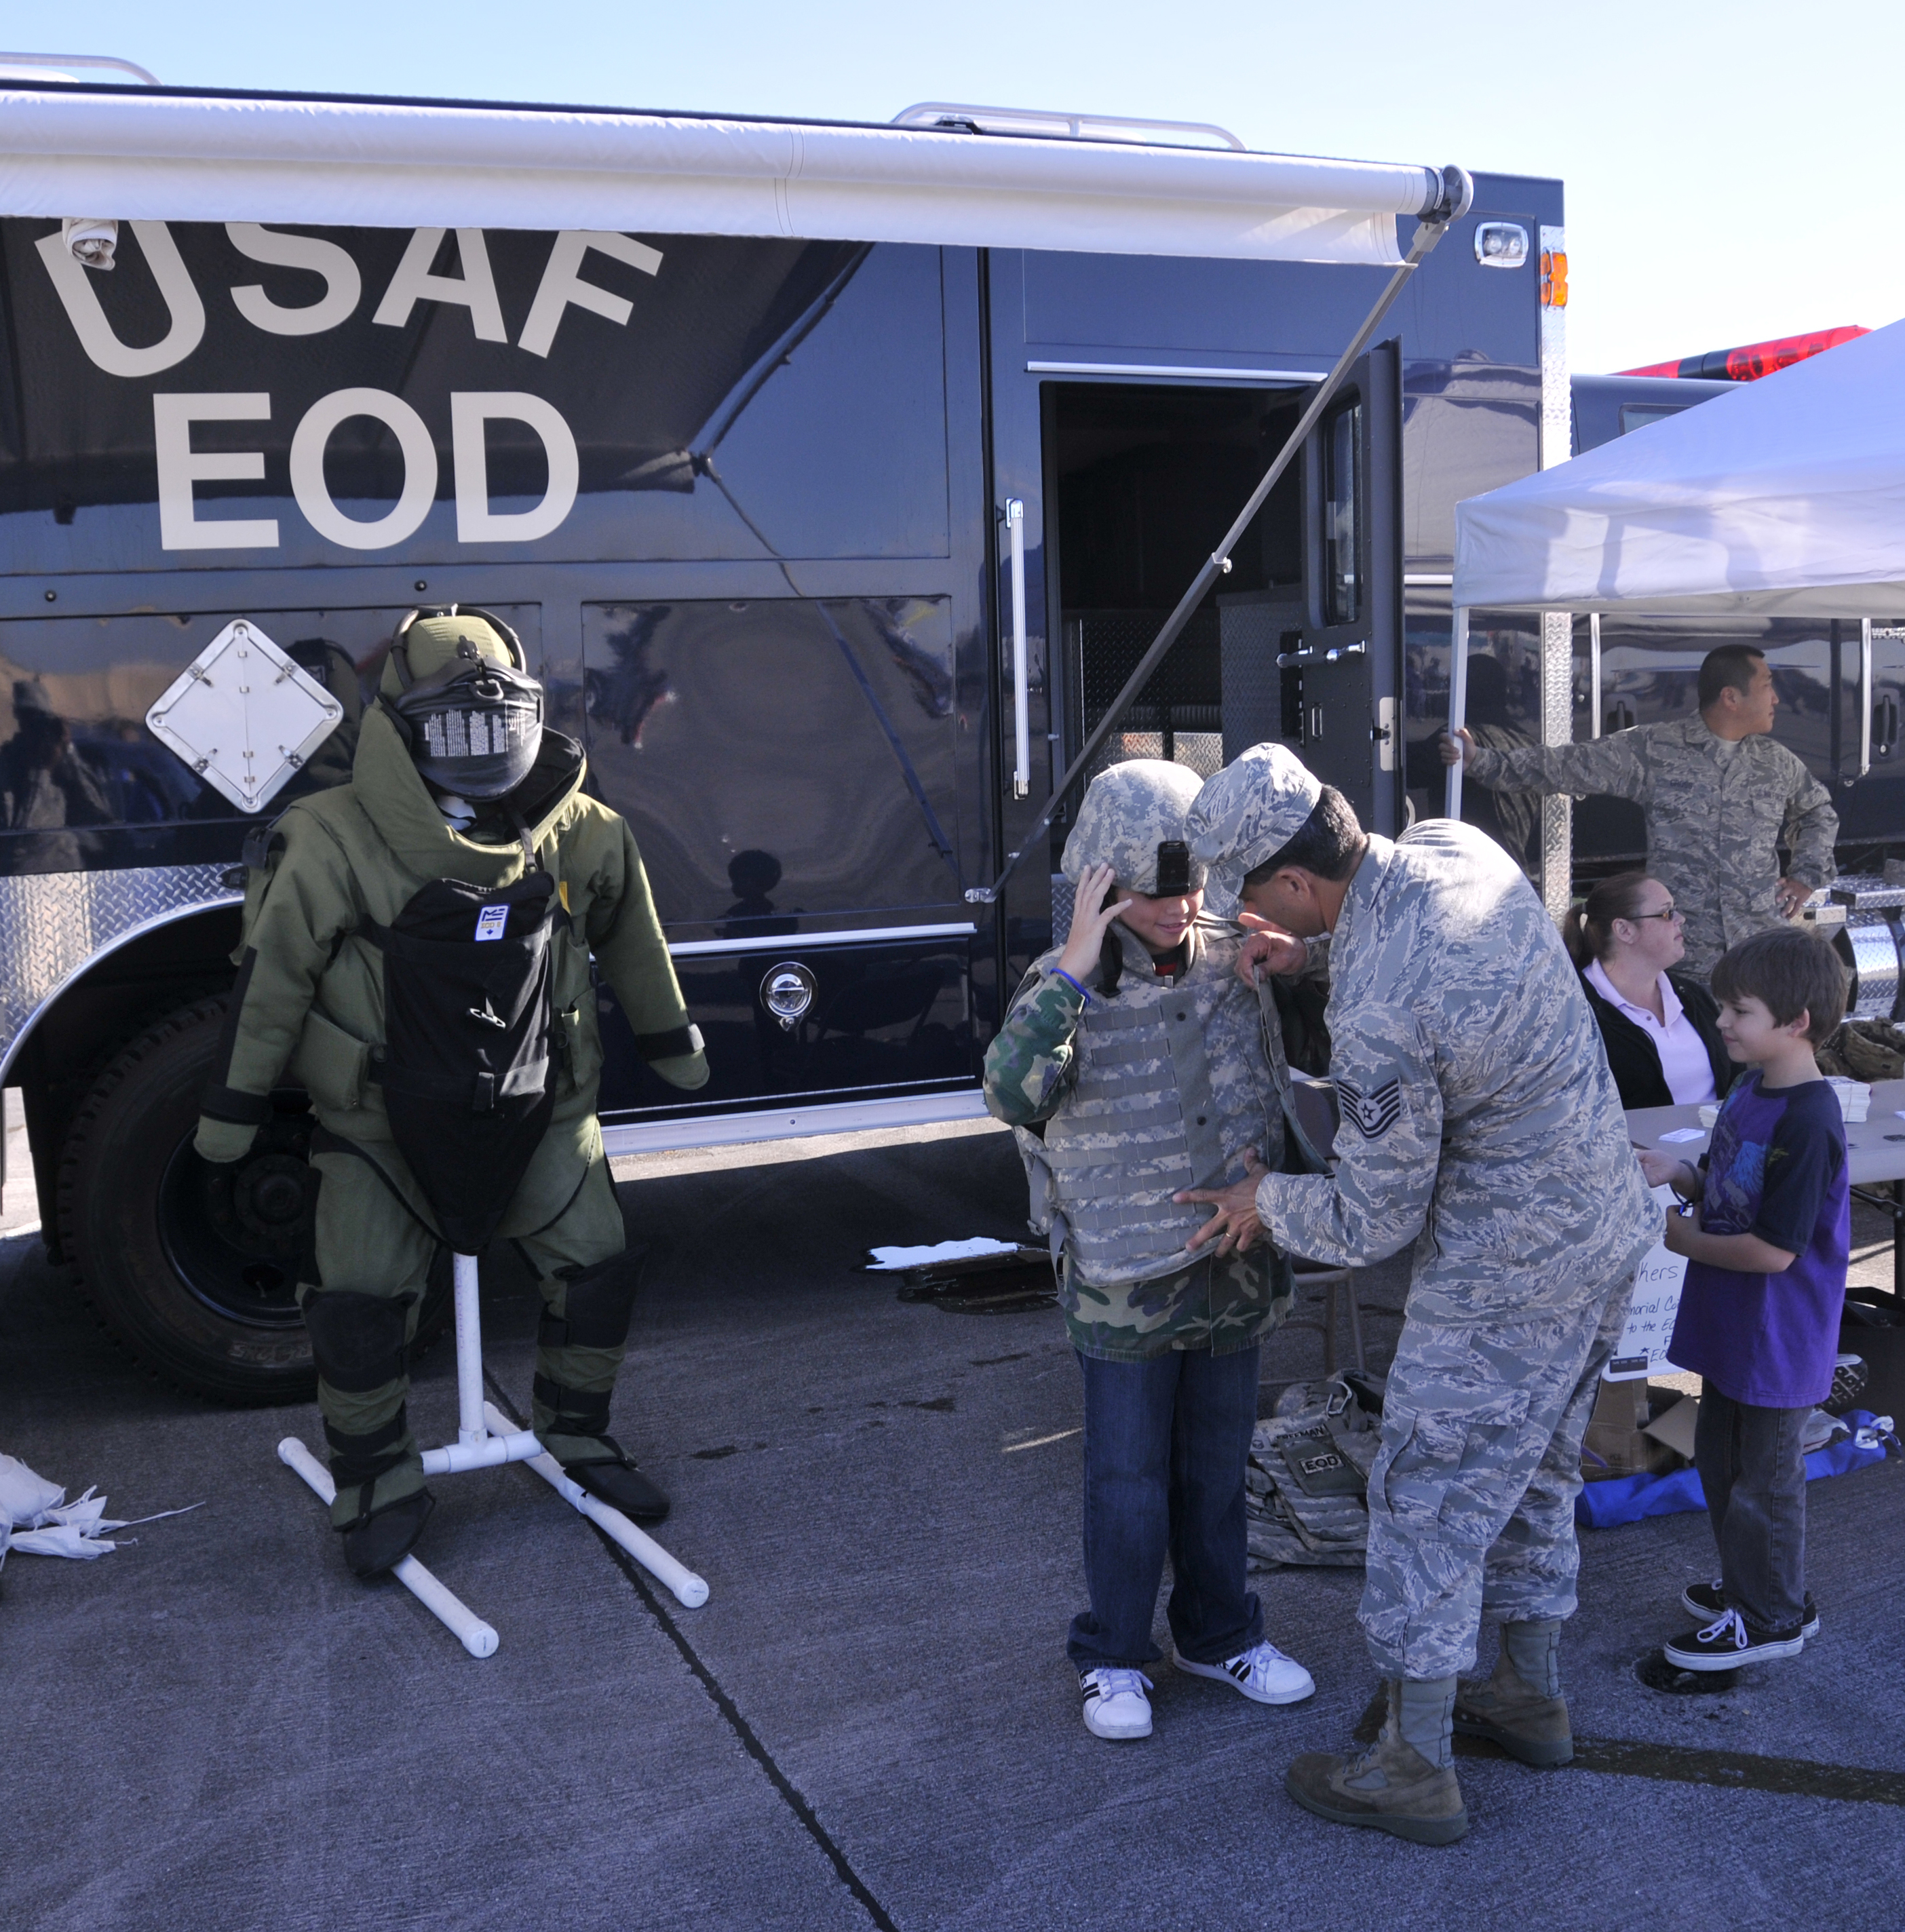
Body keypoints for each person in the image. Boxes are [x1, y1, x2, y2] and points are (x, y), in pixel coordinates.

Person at [1177, 743, 1658, 1845]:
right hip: (1603, 1236)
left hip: (1508, 1273)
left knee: (1425, 1501)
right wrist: (1307, 959)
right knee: (1534, 1467)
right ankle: (1527, 1695)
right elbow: (1429, 975)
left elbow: (1370, 1215)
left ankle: (1411, 1765)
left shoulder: (1381, 1009)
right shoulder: (1455, 847)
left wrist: (1264, 1201)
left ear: (1293, 884)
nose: (1245, 915)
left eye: (1251, 898)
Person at [193, 607, 708, 1579]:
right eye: (449, 725)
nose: (477, 747)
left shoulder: (578, 828)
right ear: (398, 725)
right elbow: (274, 981)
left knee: (594, 1266)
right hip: (378, 1126)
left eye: (494, 721)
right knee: (357, 1302)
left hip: (542, 1109)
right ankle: (377, 1479)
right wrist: (233, 1106)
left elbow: (632, 936)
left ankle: (577, 1436)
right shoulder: (330, 839)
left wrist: (669, 1037)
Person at [982, 759, 1315, 1743]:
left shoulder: (1238, 951)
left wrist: (1296, 964)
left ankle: (1220, 1634)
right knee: (1127, 1482)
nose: (1179, 909)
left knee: (1218, 1469)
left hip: (1234, 1265)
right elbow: (1009, 1094)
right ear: (1100, 883)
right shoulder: (1063, 986)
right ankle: (1115, 1656)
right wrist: (1076, 968)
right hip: (1127, 1279)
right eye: (1155, 892)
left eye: (1191, 887)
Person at [1637, 927, 1849, 1670]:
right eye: (1722, 1007)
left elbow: (1774, 1250)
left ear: (1797, 1023)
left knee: (1764, 1480)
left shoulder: (1811, 1119)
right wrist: (1683, 1174)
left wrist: (1685, 1242)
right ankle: (1756, 1586)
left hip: (1776, 1338)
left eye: (1739, 1011)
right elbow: (1732, 1185)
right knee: (1720, 1463)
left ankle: (1769, 1617)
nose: (1721, 1022)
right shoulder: (1752, 1086)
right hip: (1731, 1328)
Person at [1440, 644, 1839, 978]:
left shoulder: (1775, 762)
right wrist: (1483, 761)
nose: (1777, 699)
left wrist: (1806, 875)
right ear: (1731, 697)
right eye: (1767, 686)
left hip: (1756, 956)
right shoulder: (1657, 750)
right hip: (1682, 960)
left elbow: (1818, 811)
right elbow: (1569, 765)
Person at [1565, 871, 1732, 1110]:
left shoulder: (1693, 996)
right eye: (1668, 913)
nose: (1681, 919)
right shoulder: (1575, 1011)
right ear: (1624, 930)